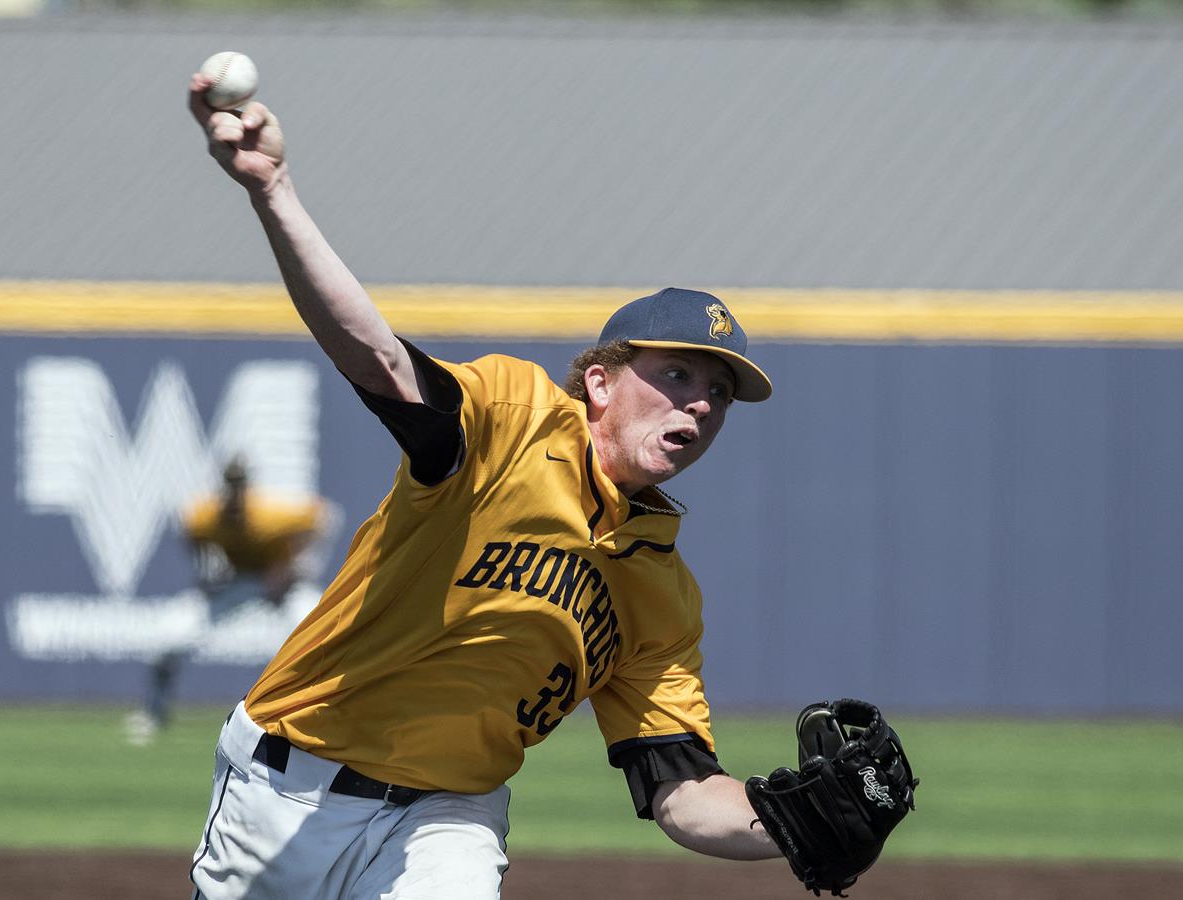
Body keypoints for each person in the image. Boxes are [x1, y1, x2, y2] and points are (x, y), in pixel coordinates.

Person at [184, 76, 785, 899]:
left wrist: (791, 820)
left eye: (718, 393)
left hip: (448, 817)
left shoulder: (661, 593)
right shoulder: (511, 422)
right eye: (676, 374)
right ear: (601, 384)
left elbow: (681, 793)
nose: (701, 404)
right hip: (287, 789)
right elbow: (380, 362)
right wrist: (273, 191)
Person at [126, 457, 335, 746]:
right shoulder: (207, 515)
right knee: (169, 636)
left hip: (280, 584)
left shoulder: (268, 514)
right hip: (238, 581)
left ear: (246, 488)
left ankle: (326, 714)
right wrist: (207, 572)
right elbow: (191, 532)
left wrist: (299, 568)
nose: (235, 493)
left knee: (322, 632)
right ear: (224, 487)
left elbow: (324, 517)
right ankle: (154, 712)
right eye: (230, 485)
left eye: (239, 486)